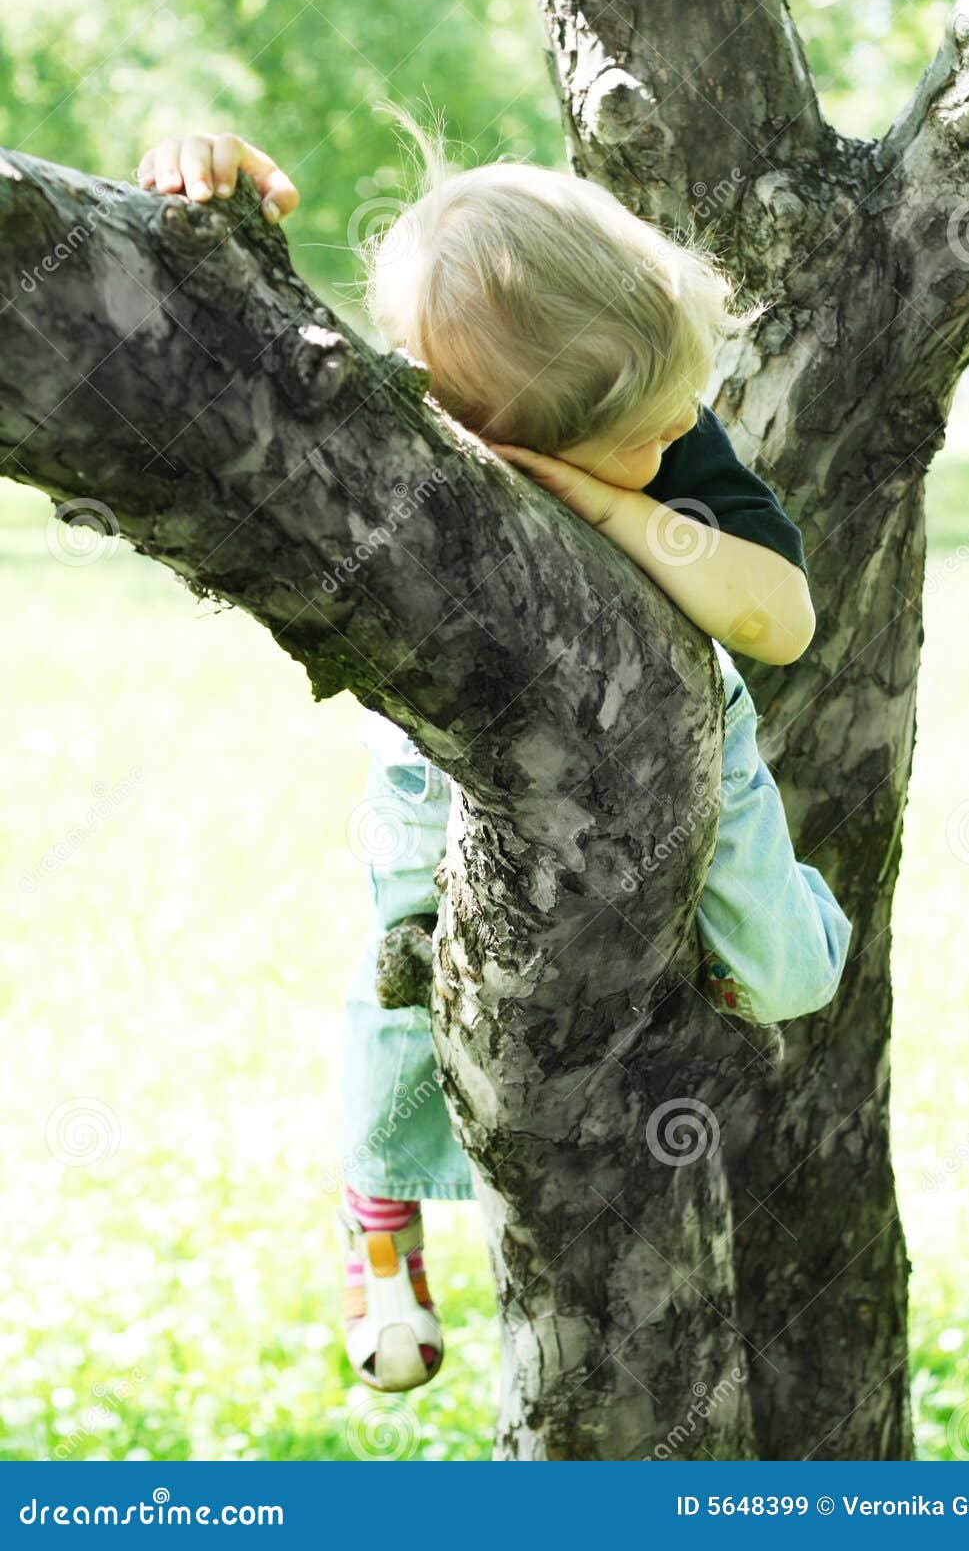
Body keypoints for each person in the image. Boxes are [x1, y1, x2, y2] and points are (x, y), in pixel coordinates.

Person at [138, 126, 853, 1395]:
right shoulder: (433, 439)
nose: (683, 429)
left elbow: (783, 619)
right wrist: (209, 181)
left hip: (694, 752)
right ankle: (379, 1208)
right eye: (649, 433)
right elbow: (259, 374)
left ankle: (757, 944)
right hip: (441, 749)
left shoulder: (667, 432)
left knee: (791, 980)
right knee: (405, 960)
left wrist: (620, 508)